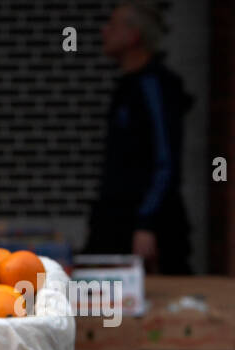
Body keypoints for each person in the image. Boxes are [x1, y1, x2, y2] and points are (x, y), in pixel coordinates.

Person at [84, 1, 192, 274]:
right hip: (113, 222)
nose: (103, 31)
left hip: (146, 229)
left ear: (134, 36)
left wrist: (147, 223)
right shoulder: (126, 86)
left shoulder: (155, 86)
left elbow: (166, 160)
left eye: (112, 25)